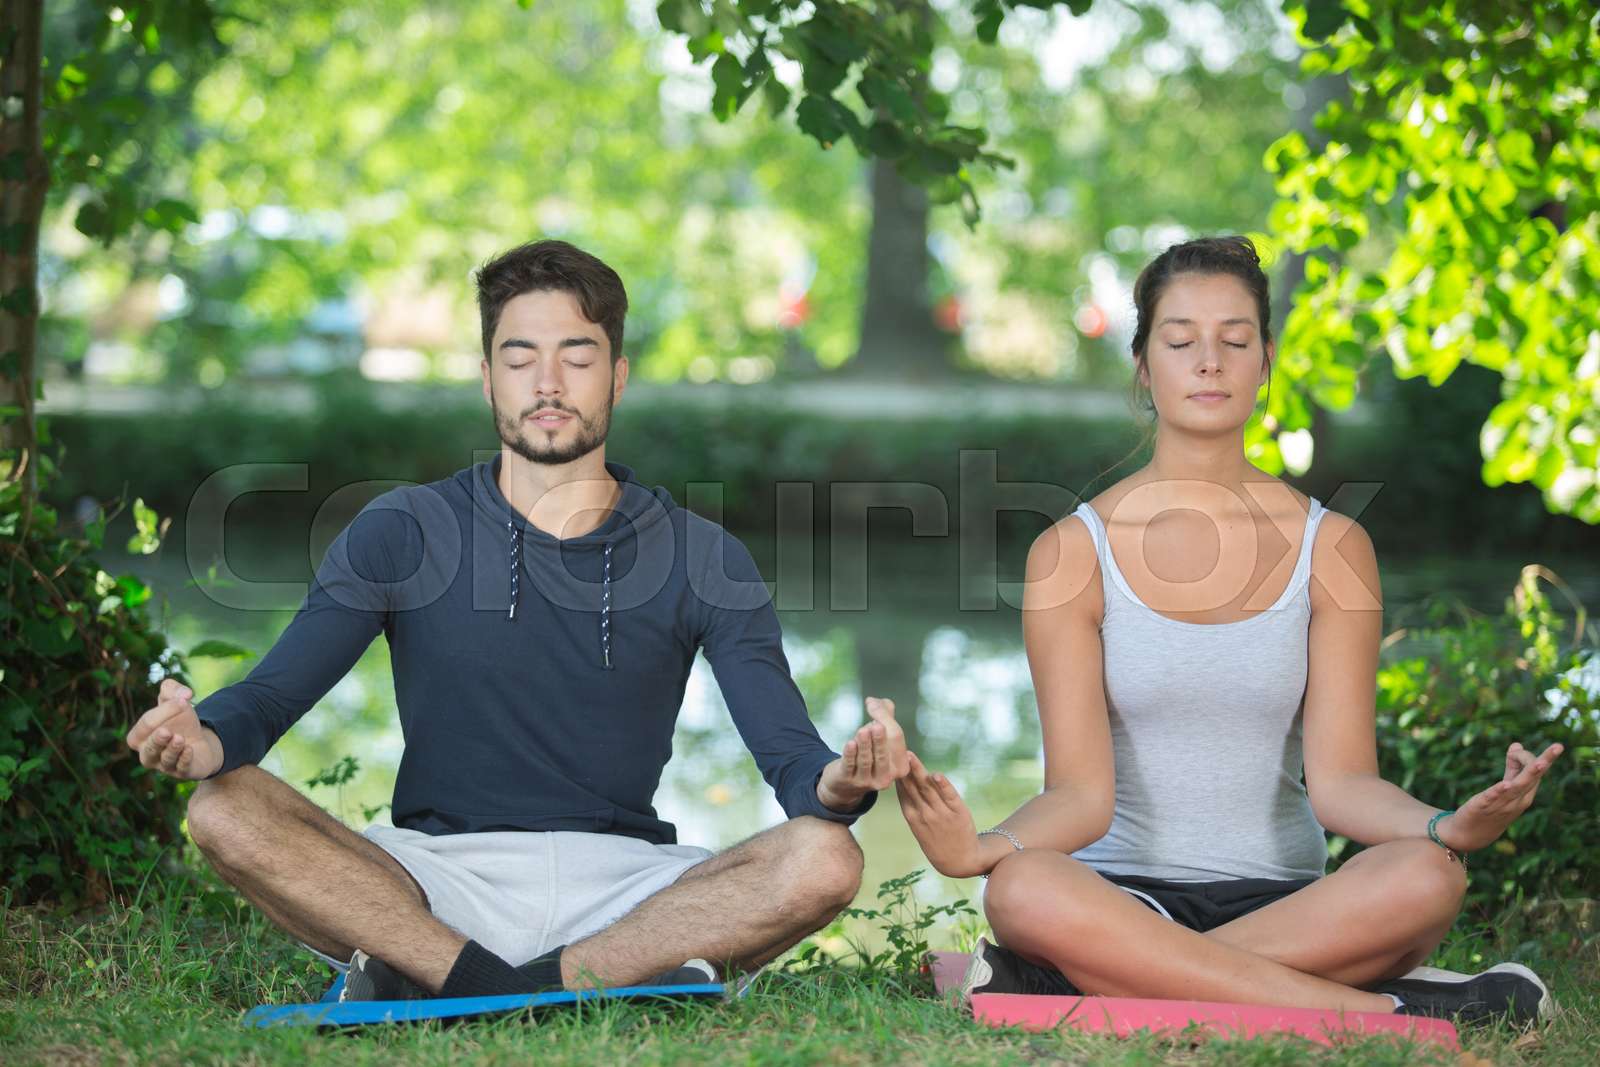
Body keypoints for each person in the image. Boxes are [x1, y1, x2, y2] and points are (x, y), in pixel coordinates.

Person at [127, 239, 910, 1002]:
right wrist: (206, 736)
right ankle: (505, 977)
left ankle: (471, 980)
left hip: (627, 891)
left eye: (577, 356)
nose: (548, 382)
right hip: (436, 882)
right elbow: (270, 697)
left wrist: (841, 781)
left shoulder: (704, 554)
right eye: (519, 357)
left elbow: (791, 762)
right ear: (486, 378)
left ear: (618, 376)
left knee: (825, 857)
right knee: (224, 807)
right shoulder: (402, 528)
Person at [895, 235, 1562, 1027]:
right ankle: (1387, 1011)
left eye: (1235, 340)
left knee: (1431, 873)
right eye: (1180, 341)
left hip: (1290, 902)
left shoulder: (1335, 547)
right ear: (1145, 365)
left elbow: (1343, 783)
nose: (1208, 361)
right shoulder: (1072, 552)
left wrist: (1444, 825)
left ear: (1265, 358)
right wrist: (983, 848)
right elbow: (1079, 796)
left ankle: (1100, 982)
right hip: (1120, 896)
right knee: (1022, 887)